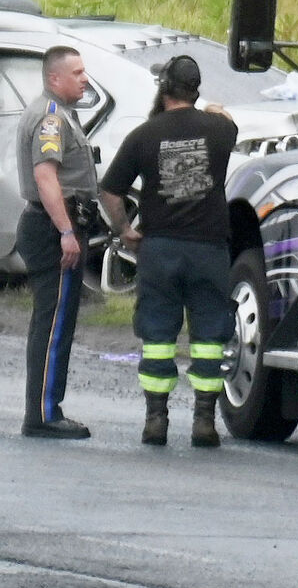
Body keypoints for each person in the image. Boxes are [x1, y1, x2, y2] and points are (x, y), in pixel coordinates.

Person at [100, 55, 240, 448]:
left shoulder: (144, 135)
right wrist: (215, 109)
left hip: (159, 249)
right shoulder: (218, 130)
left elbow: (110, 191)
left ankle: (156, 419)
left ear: (163, 89)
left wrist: (125, 230)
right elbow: (229, 124)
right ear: (195, 89)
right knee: (211, 335)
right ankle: (204, 422)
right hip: (209, 250)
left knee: (158, 335)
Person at [15, 45, 103, 439]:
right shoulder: (51, 119)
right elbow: (46, 176)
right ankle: (44, 415)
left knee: (55, 321)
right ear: (55, 78)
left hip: (57, 226)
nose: (85, 78)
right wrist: (67, 231)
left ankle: (46, 409)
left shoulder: (63, 114)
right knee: (52, 324)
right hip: (53, 230)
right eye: (78, 72)